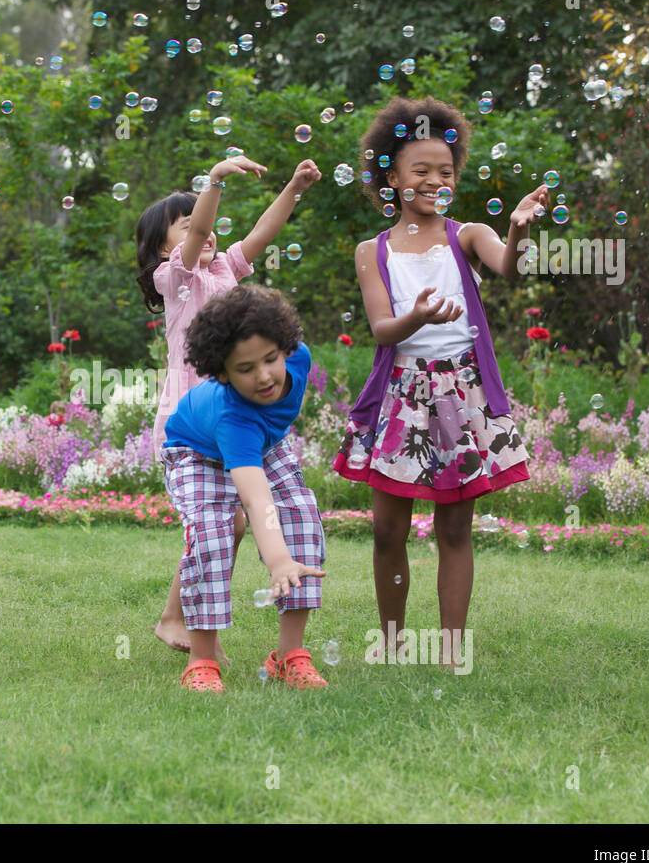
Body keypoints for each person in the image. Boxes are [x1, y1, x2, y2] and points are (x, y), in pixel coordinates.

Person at [335, 96, 540, 667]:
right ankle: (394, 642)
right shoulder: (371, 251)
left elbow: (511, 267)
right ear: (392, 177)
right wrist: (418, 317)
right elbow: (381, 330)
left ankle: (452, 648)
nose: (433, 180)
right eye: (419, 170)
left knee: (454, 528)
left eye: (445, 171)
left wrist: (519, 231)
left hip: (462, 396)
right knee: (386, 530)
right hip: (401, 396)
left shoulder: (468, 235)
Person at [135, 154, 321, 657]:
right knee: (218, 523)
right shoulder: (174, 277)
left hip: (238, 412)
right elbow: (196, 241)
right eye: (189, 222)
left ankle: (175, 618)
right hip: (192, 423)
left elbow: (262, 232)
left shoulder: (224, 269)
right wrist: (213, 181)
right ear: (160, 246)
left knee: (229, 523)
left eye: (206, 220)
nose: (205, 230)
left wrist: (294, 187)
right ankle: (184, 625)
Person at [160, 283, 328, 693]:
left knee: (302, 519)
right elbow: (256, 499)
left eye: (270, 360)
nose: (265, 376)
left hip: (262, 444)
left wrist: (291, 554)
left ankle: (290, 656)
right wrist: (278, 561)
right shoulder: (232, 415)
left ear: (285, 348)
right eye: (245, 369)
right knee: (213, 534)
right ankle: (201, 661)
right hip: (198, 451)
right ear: (222, 373)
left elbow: (280, 412)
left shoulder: (299, 359)